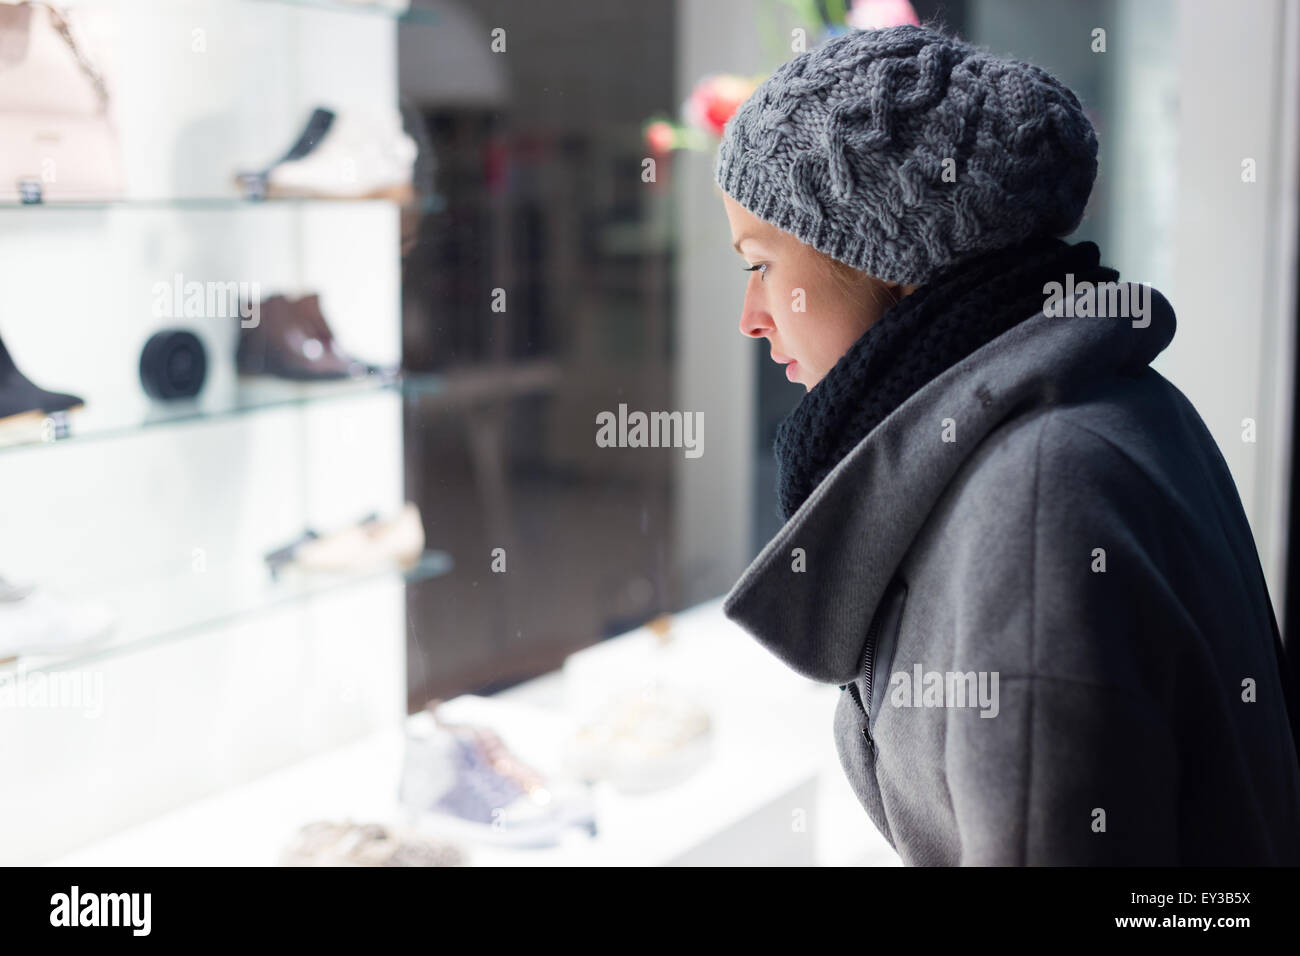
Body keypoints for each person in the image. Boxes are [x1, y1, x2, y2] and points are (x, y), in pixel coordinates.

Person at [715, 23, 1300, 865]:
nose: (750, 318)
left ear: (887, 256)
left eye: (761, 263)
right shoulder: (1111, 401)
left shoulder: (1035, 505)